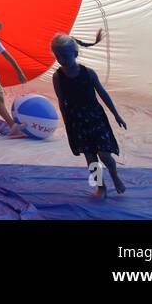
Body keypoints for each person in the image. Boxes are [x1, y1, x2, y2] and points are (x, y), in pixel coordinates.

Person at [51, 31, 127, 197]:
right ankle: (101, 187)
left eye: (65, 56)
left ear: (75, 54)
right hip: (77, 121)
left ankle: (115, 176)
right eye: (58, 56)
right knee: (90, 157)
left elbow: (103, 94)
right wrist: (67, 123)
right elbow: (61, 100)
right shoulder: (58, 77)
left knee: (104, 154)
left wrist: (116, 114)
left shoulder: (88, 73)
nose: (61, 60)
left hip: (95, 117)